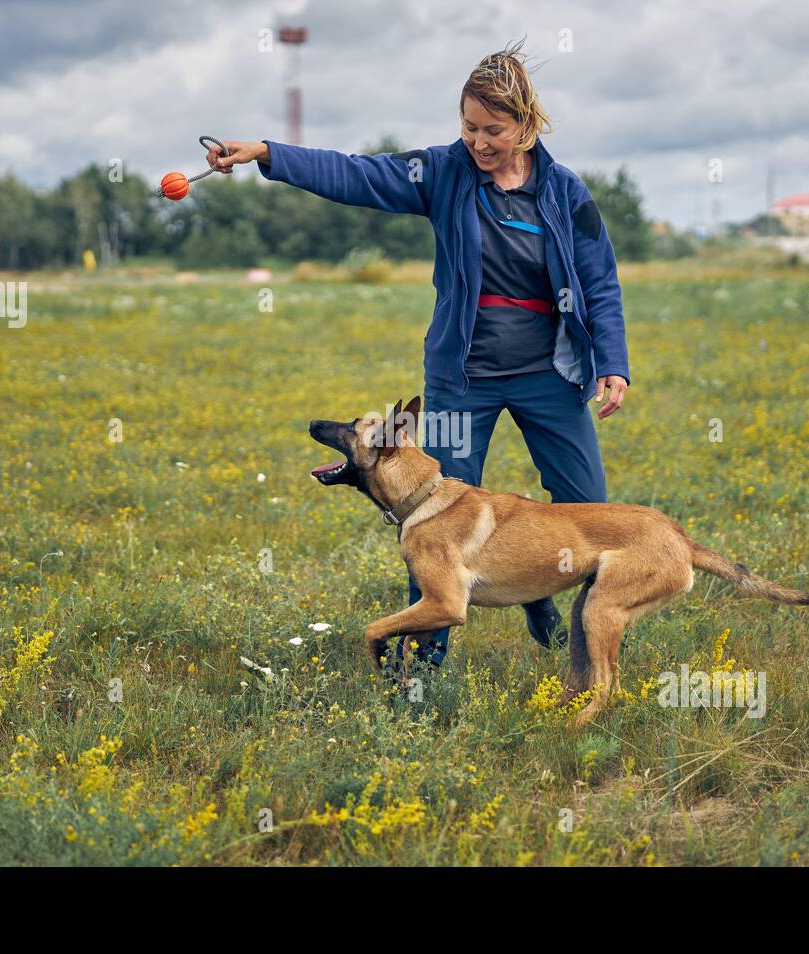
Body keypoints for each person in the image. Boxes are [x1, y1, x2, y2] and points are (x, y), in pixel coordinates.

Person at [210, 39, 630, 666]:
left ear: (526, 124)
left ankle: (569, 638)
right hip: (466, 377)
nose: (479, 142)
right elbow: (359, 174)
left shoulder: (565, 192)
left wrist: (613, 361)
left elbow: (599, 278)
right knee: (429, 519)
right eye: (468, 127)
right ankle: (419, 671)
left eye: (494, 130)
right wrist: (271, 153)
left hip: (550, 371)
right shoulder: (442, 171)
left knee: (589, 507)